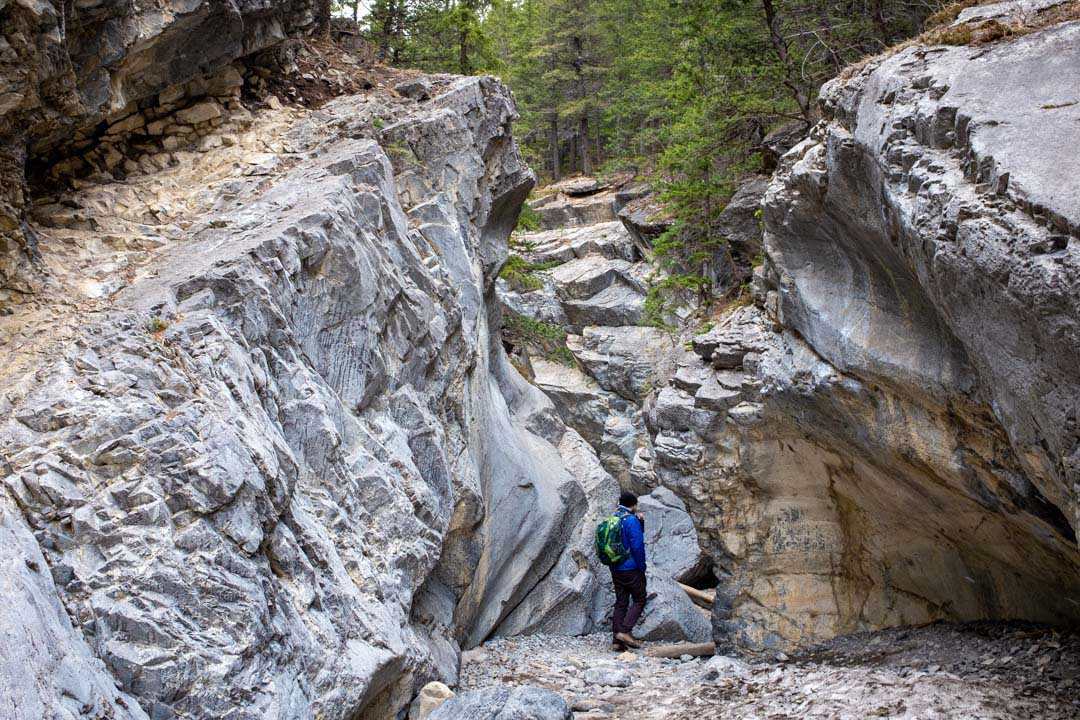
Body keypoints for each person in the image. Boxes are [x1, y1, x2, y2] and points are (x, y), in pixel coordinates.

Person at [610, 490, 647, 650]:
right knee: (639, 599)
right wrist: (641, 566)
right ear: (633, 505)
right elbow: (637, 545)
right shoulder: (631, 520)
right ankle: (624, 631)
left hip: (615, 567)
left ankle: (617, 641)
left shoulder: (614, 518)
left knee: (621, 602)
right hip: (631, 567)